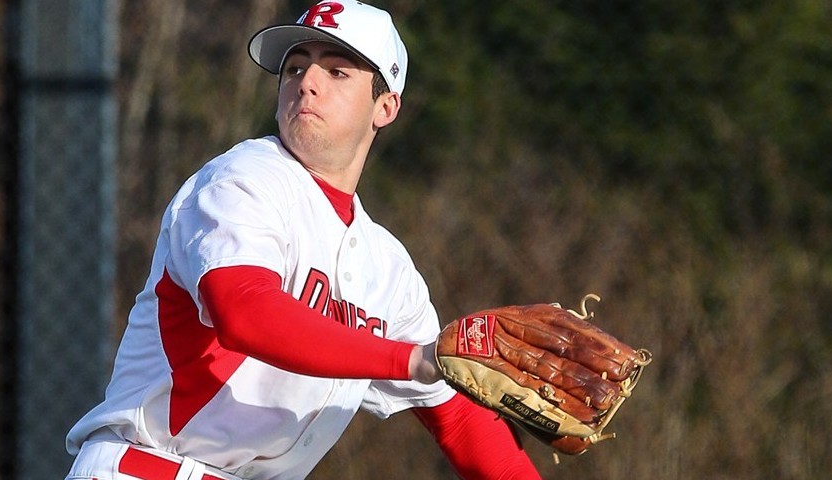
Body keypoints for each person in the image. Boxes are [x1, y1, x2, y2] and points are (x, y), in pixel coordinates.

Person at [65, 2, 541, 479]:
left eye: (337, 71)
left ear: (385, 106)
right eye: (295, 67)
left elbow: (459, 419)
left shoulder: (390, 271)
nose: (307, 81)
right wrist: (412, 359)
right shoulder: (243, 179)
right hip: (150, 468)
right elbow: (244, 310)